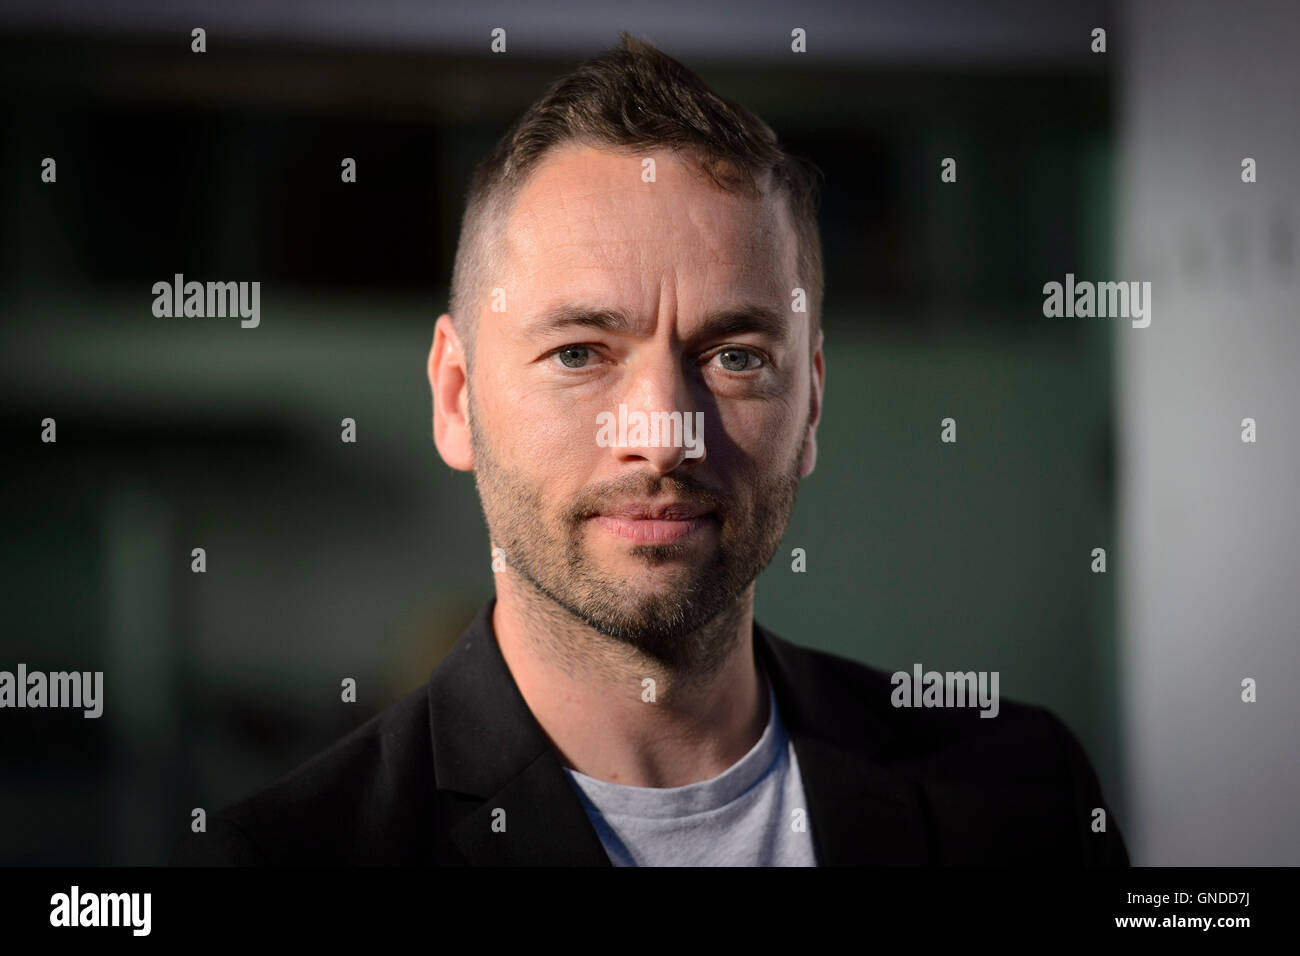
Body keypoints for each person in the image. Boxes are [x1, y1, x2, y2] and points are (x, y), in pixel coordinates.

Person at [171, 32, 1128, 867]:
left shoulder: (1019, 797)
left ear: (812, 407)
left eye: (737, 356)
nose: (662, 433)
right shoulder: (290, 863)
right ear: (457, 397)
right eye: (581, 353)